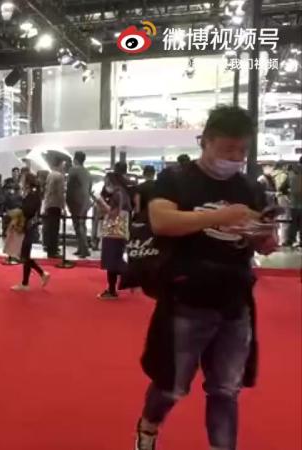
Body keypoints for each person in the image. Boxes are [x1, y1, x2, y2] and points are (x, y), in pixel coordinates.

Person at [135, 105, 278, 450]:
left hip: (235, 302)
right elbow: (162, 222)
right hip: (186, 299)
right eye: (228, 148)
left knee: (226, 389)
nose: (236, 157)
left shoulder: (249, 187)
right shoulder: (175, 179)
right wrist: (221, 217)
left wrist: (263, 236)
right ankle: (148, 427)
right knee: (171, 386)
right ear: (206, 142)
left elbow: (266, 241)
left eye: (243, 150)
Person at [95, 164, 132, 300]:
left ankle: (131, 277)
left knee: (112, 260)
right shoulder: (124, 192)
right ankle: (112, 288)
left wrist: (101, 202)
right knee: (115, 259)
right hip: (119, 229)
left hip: (114, 229)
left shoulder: (118, 194)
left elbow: (113, 214)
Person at [12, 173, 51, 291]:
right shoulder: (31, 194)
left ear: (27, 182)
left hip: (29, 227)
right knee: (25, 255)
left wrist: (19, 210)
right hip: (28, 227)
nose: (20, 182)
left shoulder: (32, 195)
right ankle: (31, 280)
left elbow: (28, 211)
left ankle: (33, 278)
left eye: (22, 179)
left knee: (24, 255)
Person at [67, 152, 92, 259]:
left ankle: (84, 249)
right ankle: (81, 247)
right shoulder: (87, 172)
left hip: (76, 202)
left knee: (78, 225)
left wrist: (68, 201)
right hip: (85, 201)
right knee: (82, 224)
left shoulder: (73, 170)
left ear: (75, 159)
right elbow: (89, 188)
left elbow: (70, 187)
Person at [43, 158, 66, 259]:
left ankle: (50, 249)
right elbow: (60, 193)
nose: (63, 167)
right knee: (55, 228)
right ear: (59, 164)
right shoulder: (59, 176)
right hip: (56, 204)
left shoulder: (50, 175)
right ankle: (53, 250)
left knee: (50, 227)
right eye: (63, 164)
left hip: (49, 203)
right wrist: (63, 206)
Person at [280, 157, 302, 247]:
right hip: (297, 203)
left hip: (294, 203)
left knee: (293, 223)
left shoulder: (291, 174)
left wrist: (289, 194)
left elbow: (282, 188)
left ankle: (290, 240)